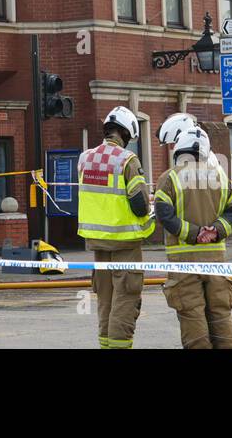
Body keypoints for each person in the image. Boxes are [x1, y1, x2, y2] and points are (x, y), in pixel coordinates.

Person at [154, 123, 232, 349]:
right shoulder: (220, 177)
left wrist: (194, 235)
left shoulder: (169, 177)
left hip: (183, 263)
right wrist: (215, 230)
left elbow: (163, 214)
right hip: (216, 261)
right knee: (221, 315)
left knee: (192, 317)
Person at [77, 105, 155, 349]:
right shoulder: (127, 160)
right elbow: (141, 205)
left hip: (97, 243)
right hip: (125, 242)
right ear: (126, 133)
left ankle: (105, 345)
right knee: (126, 300)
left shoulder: (85, 158)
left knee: (105, 300)